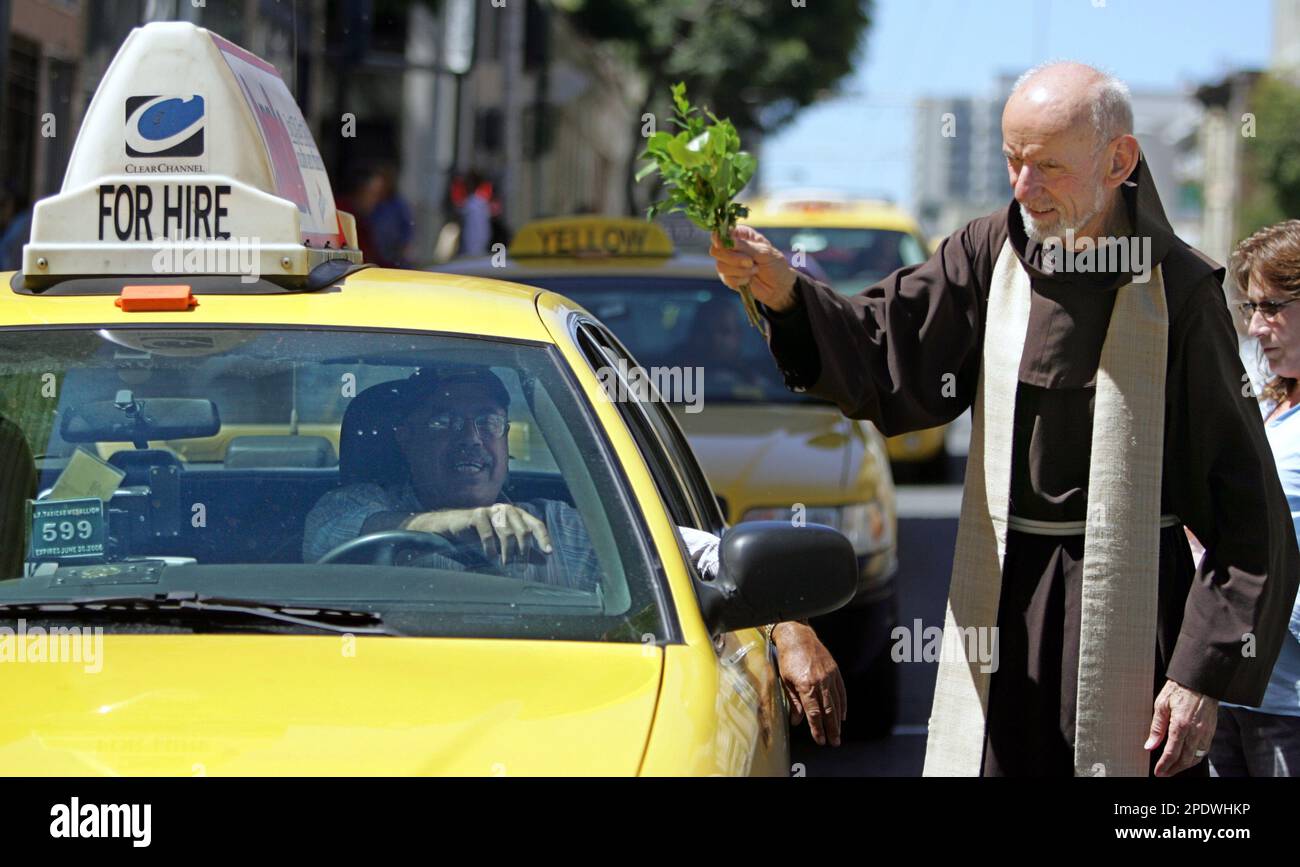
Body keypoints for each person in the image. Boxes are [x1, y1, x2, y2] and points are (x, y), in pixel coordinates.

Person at [710, 61, 1300, 777]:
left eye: (1048, 165)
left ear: (1119, 160)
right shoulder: (989, 251)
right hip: (998, 606)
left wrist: (1198, 676)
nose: (1024, 187)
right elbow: (882, 346)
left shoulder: (1181, 291)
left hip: (1133, 610)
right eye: (1012, 161)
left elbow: (1249, 509)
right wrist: (786, 295)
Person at [304, 367, 850, 745]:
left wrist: (787, 625)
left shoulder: (567, 526)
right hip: (379, 705)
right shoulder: (360, 508)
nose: (470, 440)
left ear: (505, 441)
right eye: (444, 423)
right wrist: (454, 524)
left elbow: (710, 556)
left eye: (487, 424)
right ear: (405, 438)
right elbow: (330, 539)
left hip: (566, 715)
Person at [1205, 221, 1300, 776]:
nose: (1256, 327)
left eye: (1272, 306)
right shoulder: (1268, 407)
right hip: (1230, 692)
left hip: (1288, 709)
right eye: (1249, 309)